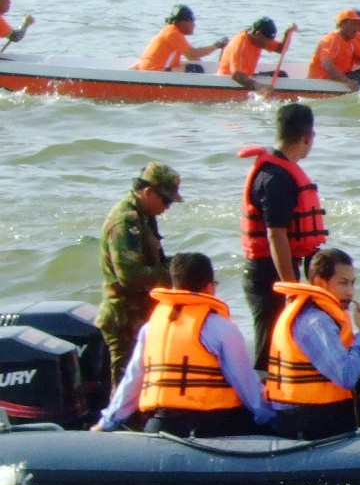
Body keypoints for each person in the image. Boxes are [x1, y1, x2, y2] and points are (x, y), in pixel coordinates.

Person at [92, 252, 275, 437]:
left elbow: (133, 380)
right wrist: (273, 418)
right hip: (211, 425)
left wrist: (108, 422)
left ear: (174, 286)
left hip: (161, 423)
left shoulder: (151, 327)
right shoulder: (221, 328)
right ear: (209, 287)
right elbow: (246, 386)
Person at [266, 247, 360, 439]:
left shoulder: (309, 311)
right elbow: (346, 377)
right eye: (343, 283)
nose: (350, 292)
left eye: (353, 284)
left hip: (303, 412)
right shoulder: (317, 322)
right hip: (309, 417)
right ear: (320, 283)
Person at [238, 102, 328, 372]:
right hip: (268, 274)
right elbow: (276, 234)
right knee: (269, 346)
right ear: (307, 137)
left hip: (275, 269)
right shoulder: (276, 177)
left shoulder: (277, 169)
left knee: (281, 342)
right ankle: (262, 405)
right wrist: (290, 286)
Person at [98, 162, 182, 382]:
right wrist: (171, 274)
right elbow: (130, 274)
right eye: (166, 201)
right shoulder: (126, 220)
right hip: (124, 318)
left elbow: (154, 261)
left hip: (140, 314)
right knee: (127, 387)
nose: (166, 208)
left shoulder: (144, 216)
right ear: (149, 192)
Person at [135, 5, 227, 72]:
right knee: (195, 69)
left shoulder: (173, 32)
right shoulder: (172, 34)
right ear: (183, 22)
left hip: (150, 69)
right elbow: (192, 54)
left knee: (196, 65)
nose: (194, 24)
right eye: (192, 20)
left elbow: (192, 57)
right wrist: (217, 45)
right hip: (154, 72)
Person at [217, 17, 296, 92]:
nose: (269, 43)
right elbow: (235, 75)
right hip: (229, 81)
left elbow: (281, 49)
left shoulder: (260, 39)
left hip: (247, 76)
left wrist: (287, 33)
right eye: (268, 40)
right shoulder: (240, 44)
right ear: (258, 34)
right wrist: (259, 87)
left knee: (282, 74)